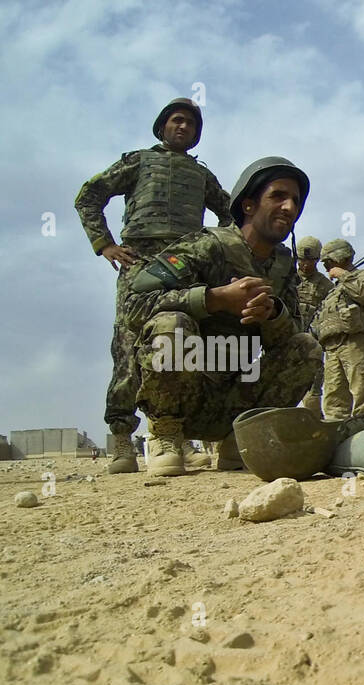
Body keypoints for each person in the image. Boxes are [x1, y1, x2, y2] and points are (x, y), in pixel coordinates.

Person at [120, 156, 322, 477]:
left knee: (307, 347)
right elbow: (135, 303)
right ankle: (165, 434)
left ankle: (238, 439)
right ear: (248, 205)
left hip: (237, 398)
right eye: (278, 196)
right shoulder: (207, 246)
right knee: (171, 324)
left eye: (295, 200)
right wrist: (212, 300)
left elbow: (290, 339)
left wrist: (272, 315)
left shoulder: (283, 265)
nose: (289, 207)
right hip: (186, 395)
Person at [75, 97, 233, 473]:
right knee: (129, 345)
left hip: (185, 265)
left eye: (191, 125)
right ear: (162, 126)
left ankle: (177, 435)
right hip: (140, 264)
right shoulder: (139, 161)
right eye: (177, 121)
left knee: (183, 343)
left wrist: (216, 253)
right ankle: (122, 442)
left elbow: (230, 213)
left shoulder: (202, 176)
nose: (183, 128)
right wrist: (105, 244)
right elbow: (89, 196)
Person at [316, 239, 364, 420]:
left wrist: (344, 276)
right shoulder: (333, 290)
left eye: (328, 261)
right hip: (333, 348)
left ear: (339, 257)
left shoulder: (362, 276)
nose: (326, 266)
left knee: (363, 397)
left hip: (356, 344)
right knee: (333, 401)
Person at [295, 235, 333, 418]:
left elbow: (330, 312)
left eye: (310, 260)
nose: (305, 265)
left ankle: (315, 423)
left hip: (313, 345)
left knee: (313, 388)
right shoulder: (286, 278)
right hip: (285, 341)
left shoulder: (325, 285)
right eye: (301, 260)